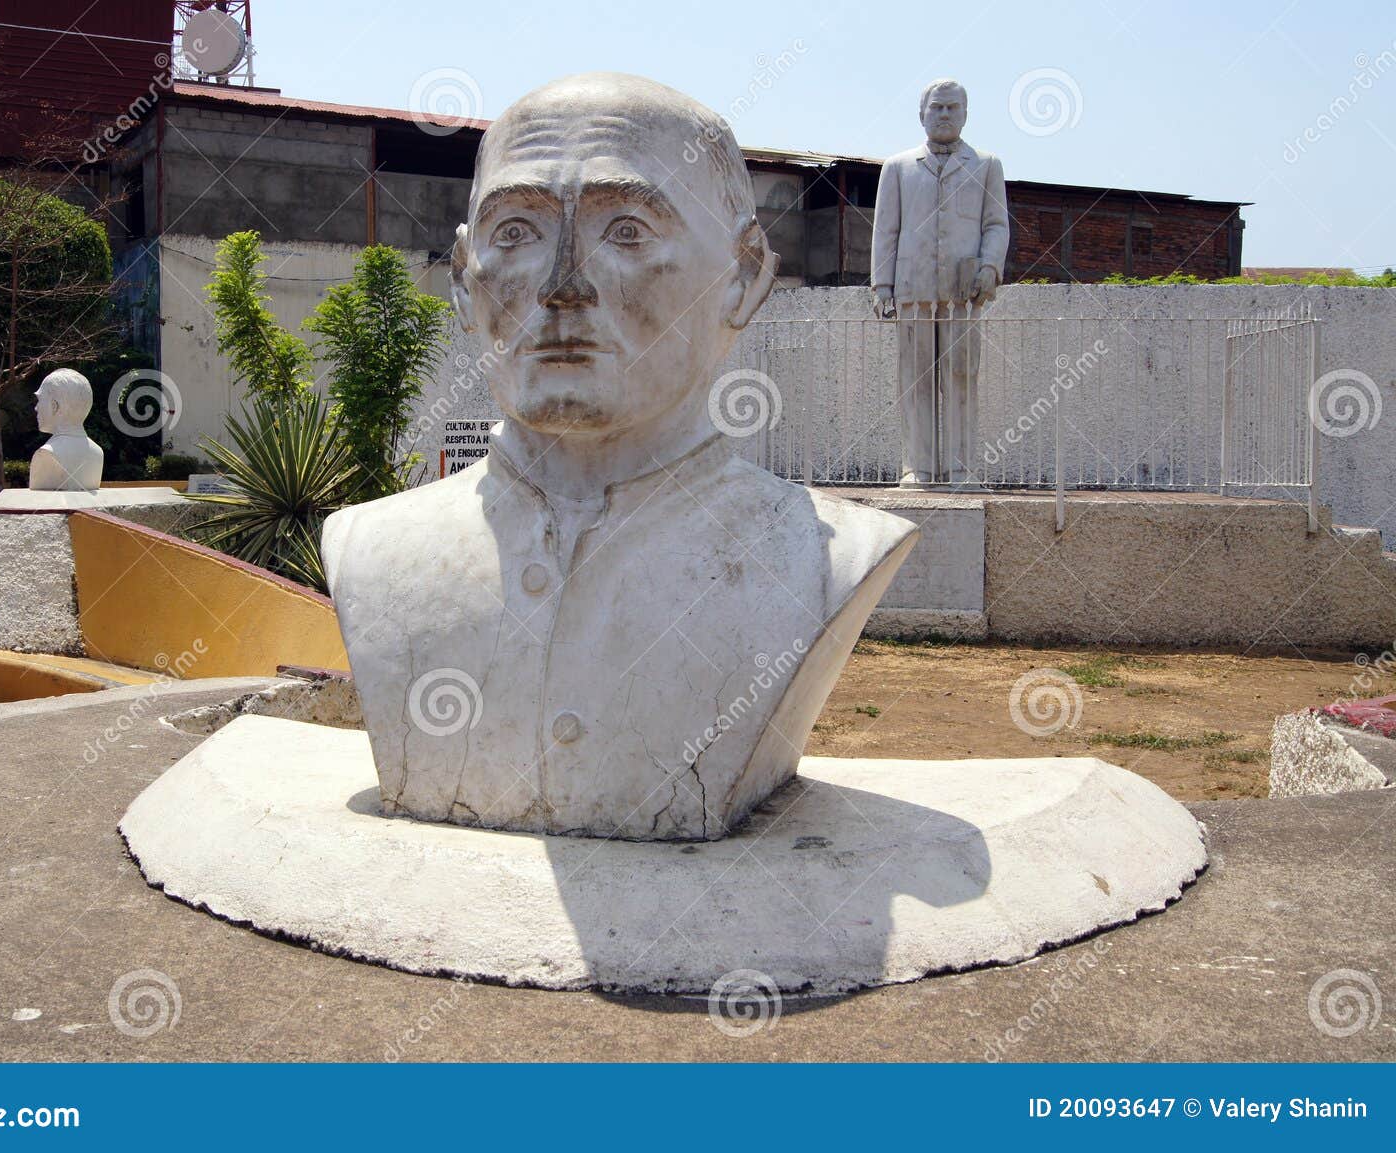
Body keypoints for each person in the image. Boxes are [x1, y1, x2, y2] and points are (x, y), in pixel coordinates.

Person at [323, 73, 917, 840]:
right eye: (517, 231)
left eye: (628, 230)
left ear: (743, 278)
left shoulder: (824, 559)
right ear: (465, 285)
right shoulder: (370, 549)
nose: (564, 285)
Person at [871, 79, 1009, 487]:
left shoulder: (987, 164)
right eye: (937, 108)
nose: (944, 114)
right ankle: (918, 467)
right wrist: (882, 286)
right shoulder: (896, 167)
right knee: (915, 383)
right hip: (912, 291)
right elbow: (885, 231)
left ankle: (961, 468)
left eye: (952, 108)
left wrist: (990, 267)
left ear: (965, 114)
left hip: (962, 293)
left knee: (961, 379)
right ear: (921, 115)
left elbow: (996, 224)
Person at [27, 368, 103, 491]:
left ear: (54, 406)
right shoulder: (97, 452)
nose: (36, 408)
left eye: (40, 400)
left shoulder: (46, 454)